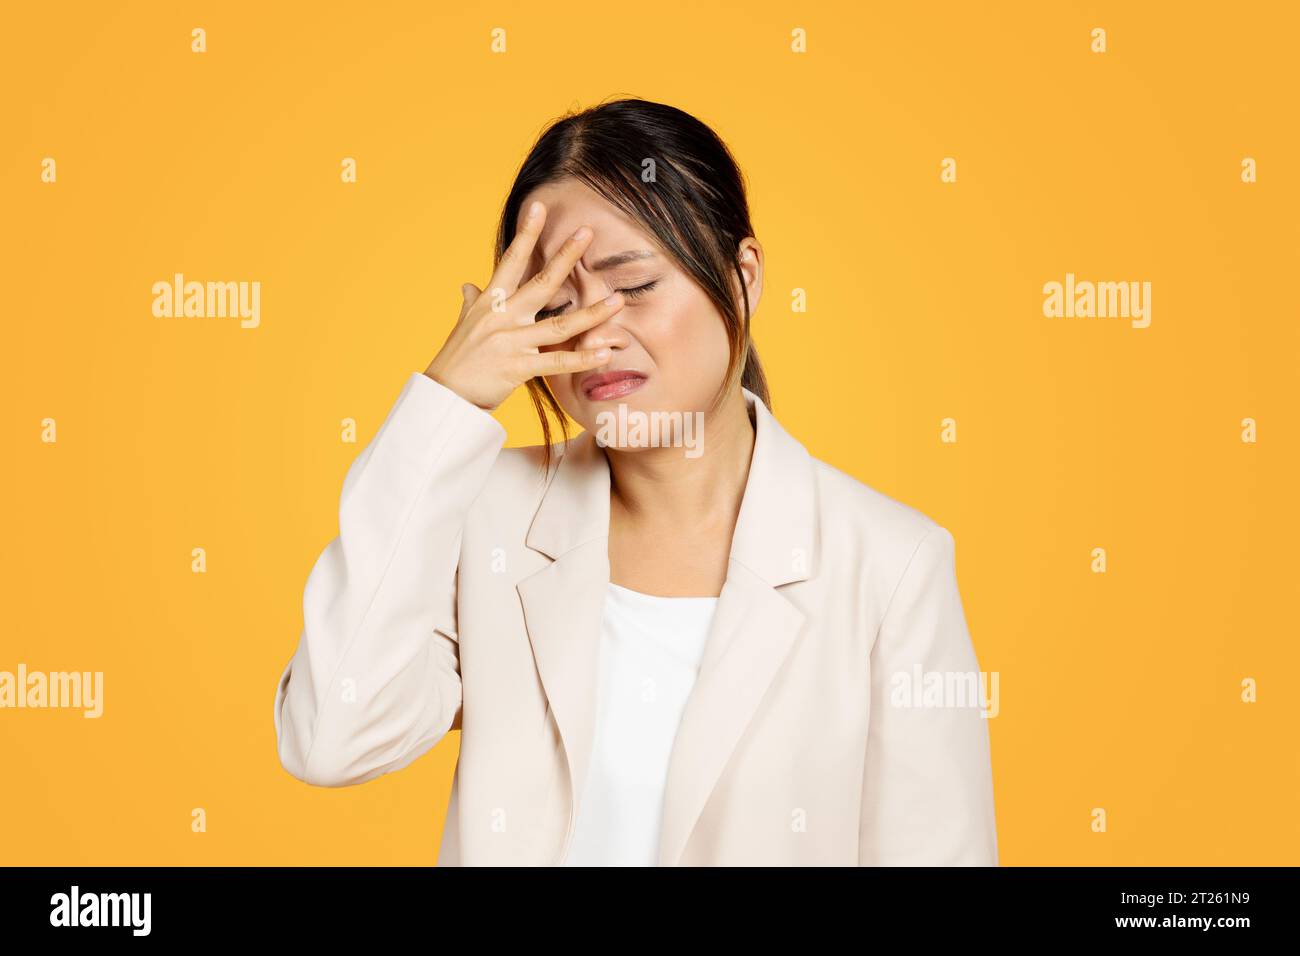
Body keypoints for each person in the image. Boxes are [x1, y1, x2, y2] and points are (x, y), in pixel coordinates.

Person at [273, 98, 998, 866]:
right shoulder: (482, 519)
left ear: (742, 277)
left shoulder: (890, 564)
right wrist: (445, 404)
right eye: (551, 304)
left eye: (635, 285)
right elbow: (331, 739)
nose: (593, 331)